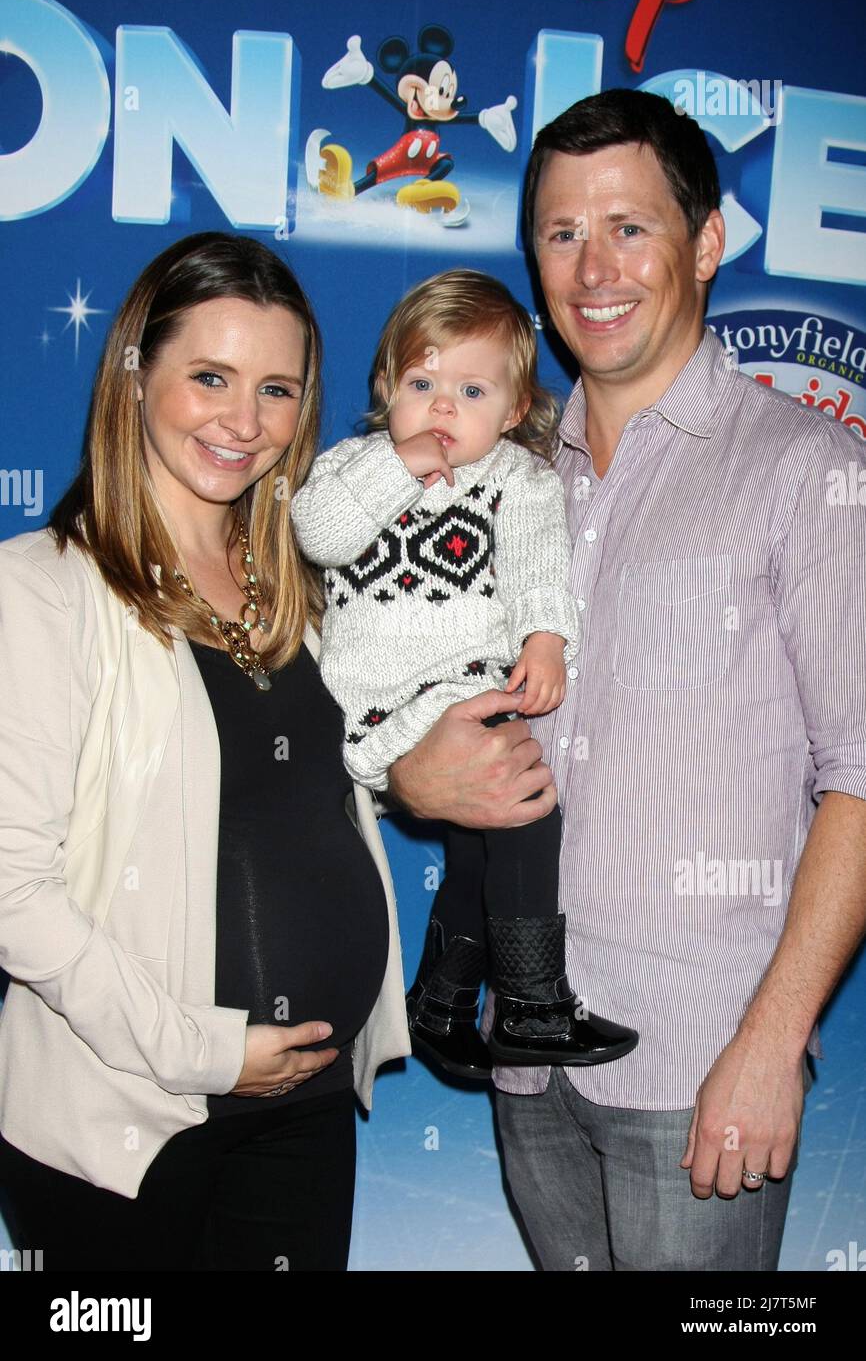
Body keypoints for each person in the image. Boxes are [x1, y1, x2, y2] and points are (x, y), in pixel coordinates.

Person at [384, 89, 866, 1270]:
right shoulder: (500, 481)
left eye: (629, 227)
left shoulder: (805, 469)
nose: (592, 267)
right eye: (559, 233)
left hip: (698, 1060)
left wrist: (770, 1041)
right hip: (525, 1043)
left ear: (704, 243)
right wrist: (415, 774)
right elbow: (422, 709)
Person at [0, 231, 410, 1272]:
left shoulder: (310, 595)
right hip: (127, 1116)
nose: (244, 422)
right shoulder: (39, 590)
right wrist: (208, 1051)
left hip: (310, 1101)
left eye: (277, 389)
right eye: (211, 377)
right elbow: (12, 890)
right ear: (136, 373)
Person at [290, 269, 638, 1078]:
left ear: (515, 409)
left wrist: (547, 640)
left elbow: (538, 574)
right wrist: (398, 466)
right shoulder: (358, 464)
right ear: (386, 386)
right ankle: (531, 1004)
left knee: (484, 850)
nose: (443, 407)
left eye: (472, 390)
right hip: (374, 705)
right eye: (422, 382)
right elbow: (322, 532)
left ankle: (440, 1004)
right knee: (527, 816)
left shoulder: (520, 481)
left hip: (470, 693)